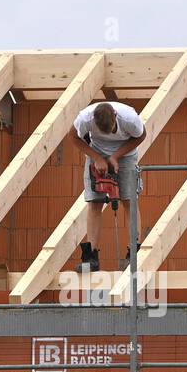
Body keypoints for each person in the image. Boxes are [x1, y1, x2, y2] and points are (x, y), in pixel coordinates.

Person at [69, 100, 146, 271]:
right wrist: (96, 158)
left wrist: (116, 156)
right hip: (96, 151)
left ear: (116, 118)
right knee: (94, 203)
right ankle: (91, 257)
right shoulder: (85, 118)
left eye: (110, 130)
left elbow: (141, 136)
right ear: (94, 121)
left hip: (125, 154)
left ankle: (133, 253)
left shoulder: (129, 118)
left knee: (129, 200)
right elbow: (73, 136)